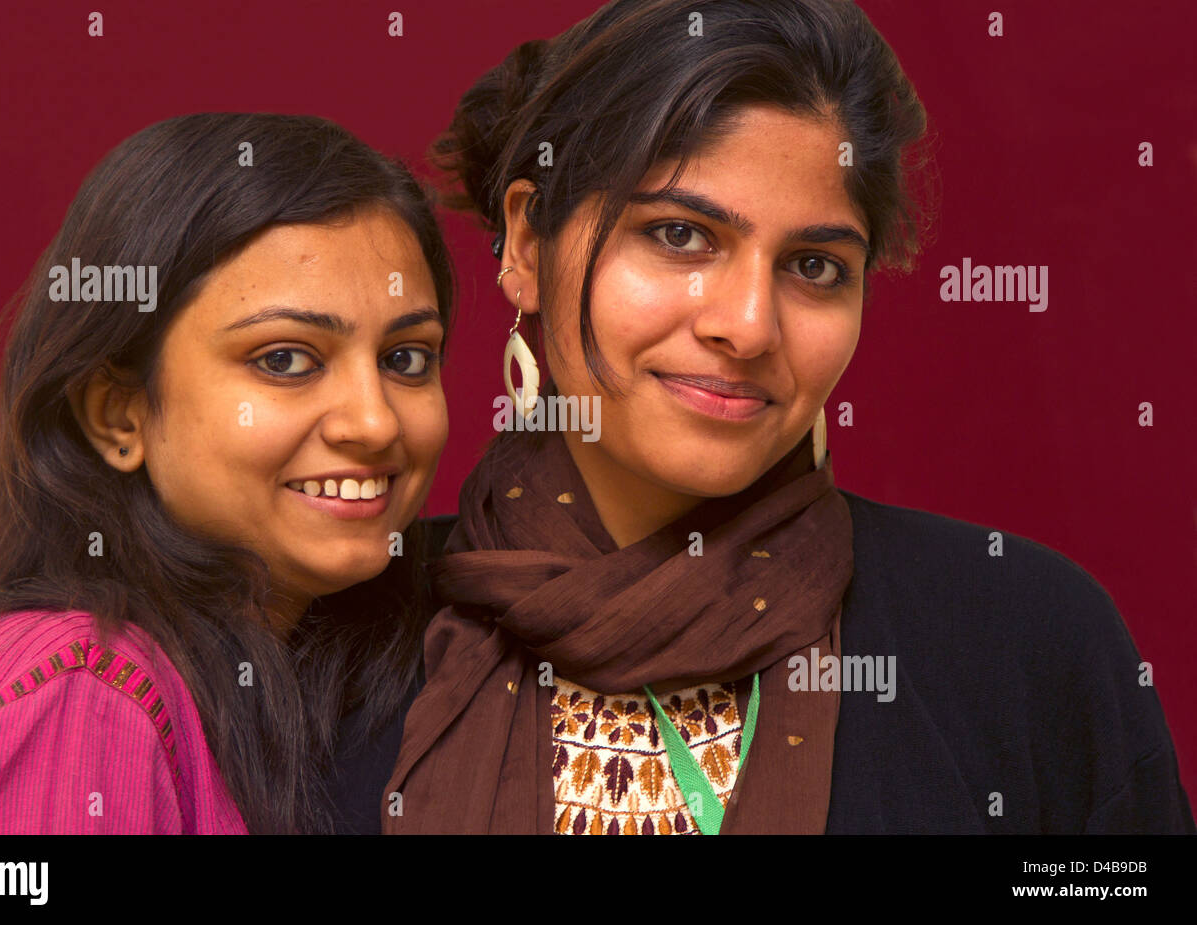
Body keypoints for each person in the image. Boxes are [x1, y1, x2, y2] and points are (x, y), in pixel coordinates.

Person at [353, 0, 1194, 834]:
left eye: (815, 266)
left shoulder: (1020, 637)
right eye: (681, 235)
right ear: (530, 246)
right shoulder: (342, 635)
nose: (749, 325)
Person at [0, 112, 454, 834]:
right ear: (118, 414)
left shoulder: (308, 685)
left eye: (405, 358)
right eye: (284, 359)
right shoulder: (81, 693)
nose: (375, 422)